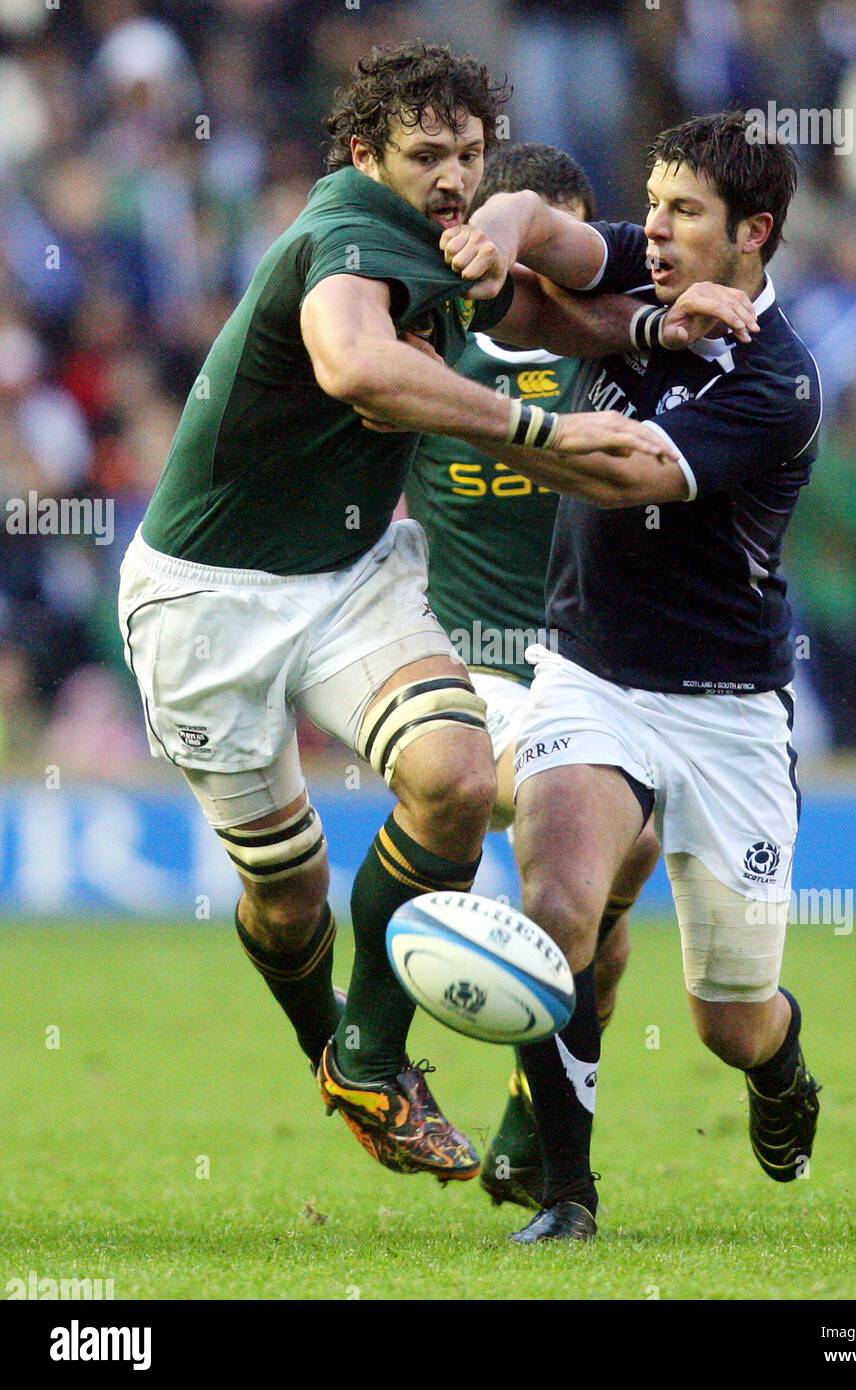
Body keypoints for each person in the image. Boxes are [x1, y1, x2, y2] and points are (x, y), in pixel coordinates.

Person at [117, 43, 677, 1188]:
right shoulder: (346, 233)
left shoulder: (441, 238)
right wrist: (534, 433)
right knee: (287, 895)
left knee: (459, 779)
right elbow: (356, 364)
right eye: (426, 154)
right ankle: (330, 1037)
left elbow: (546, 313)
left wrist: (664, 330)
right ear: (365, 155)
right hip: (206, 601)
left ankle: (369, 1054)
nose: (452, 177)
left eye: (468, 154)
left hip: (352, 572)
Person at [454, 110, 824, 1239]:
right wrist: (498, 232)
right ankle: (567, 1192)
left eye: (682, 213)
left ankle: (781, 1067)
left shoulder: (782, 385)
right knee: (557, 909)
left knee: (727, 1016)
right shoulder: (644, 263)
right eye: (650, 203)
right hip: (591, 673)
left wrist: (470, 411)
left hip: (725, 711)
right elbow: (533, 239)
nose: (650, 230)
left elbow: (623, 474)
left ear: (752, 235)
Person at [407, 142, 660, 1211]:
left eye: (567, 248)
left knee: (608, 904)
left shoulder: (614, 360)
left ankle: (530, 1113)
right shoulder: (431, 353)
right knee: (558, 817)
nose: (544, 275)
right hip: (475, 664)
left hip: (594, 661)